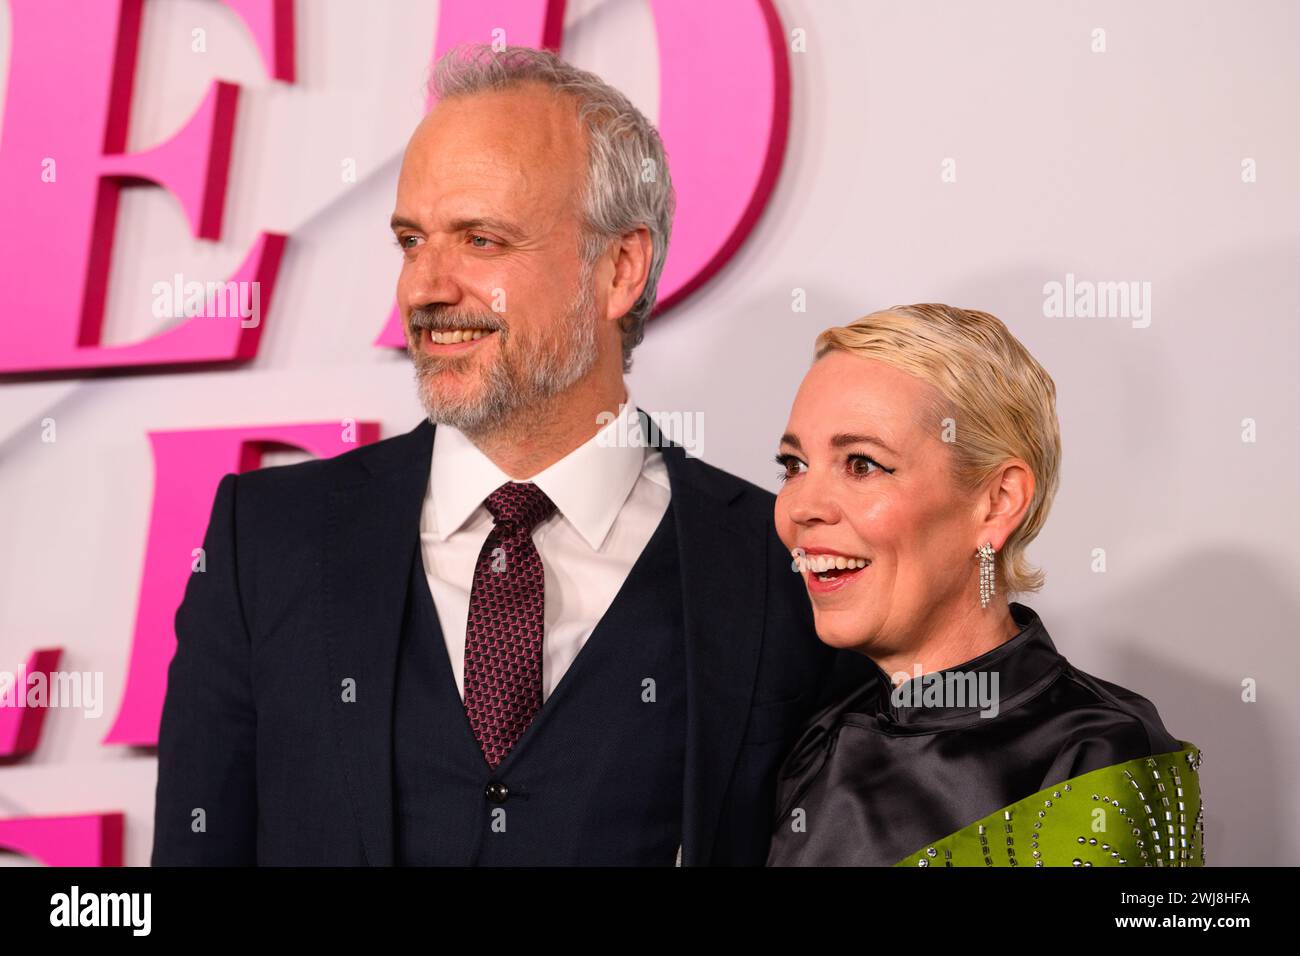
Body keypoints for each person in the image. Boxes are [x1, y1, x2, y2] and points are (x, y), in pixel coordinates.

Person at [151, 43, 873, 867]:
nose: (425, 288)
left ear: (619, 270)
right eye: (412, 240)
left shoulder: (778, 567)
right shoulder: (266, 543)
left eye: (481, 240)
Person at [765, 304, 1204, 867]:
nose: (800, 506)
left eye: (861, 464)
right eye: (793, 465)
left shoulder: (1100, 755)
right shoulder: (816, 741)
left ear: (996, 502)